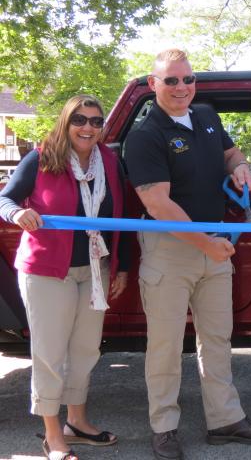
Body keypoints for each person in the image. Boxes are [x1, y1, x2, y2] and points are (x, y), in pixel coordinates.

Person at [123, 49, 251, 460]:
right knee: (166, 345)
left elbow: (229, 152)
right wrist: (207, 244)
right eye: (170, 81)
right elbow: (158, 205)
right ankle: (164, 427)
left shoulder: (206, 116)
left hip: (213, 246)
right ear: (153, 85)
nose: (181, 88)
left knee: (217, 339)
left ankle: (225, 420)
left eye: (187, 79)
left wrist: (239, 166)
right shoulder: (145, 135)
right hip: (171, 250)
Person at [0, 95, 129, 460]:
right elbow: (5, 199)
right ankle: (53, 434)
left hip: (94, 269)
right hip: (46, 271)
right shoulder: (42, 157)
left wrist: (121, 266)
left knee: (85, 350)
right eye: (80, 120)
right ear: (66, 122)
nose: (88, 127)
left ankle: (77, 422)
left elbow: (123, 217)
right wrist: (16, 214)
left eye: (96, 121)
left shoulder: (109, 161)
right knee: (49, 353)